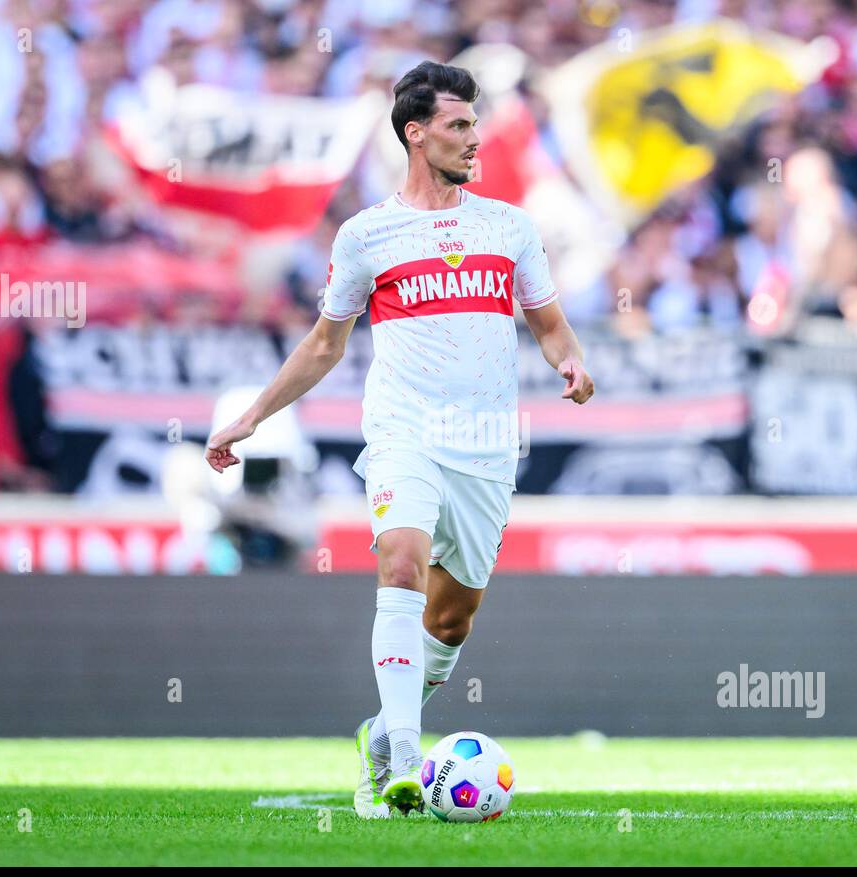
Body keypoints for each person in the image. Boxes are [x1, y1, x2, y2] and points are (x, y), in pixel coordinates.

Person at [205, 61, 594, 817]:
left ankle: (380, 735)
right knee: (401, 562)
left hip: (486, 446)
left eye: (474, 123)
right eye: (458, 125)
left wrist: (571, 362)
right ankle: (406, 762)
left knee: (450, 622)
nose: (473, 137)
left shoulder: (509, 227)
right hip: (404, 433)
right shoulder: (367, 235)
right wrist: (253, 417)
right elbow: (324, 345)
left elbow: (550, 327)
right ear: (416, 134)